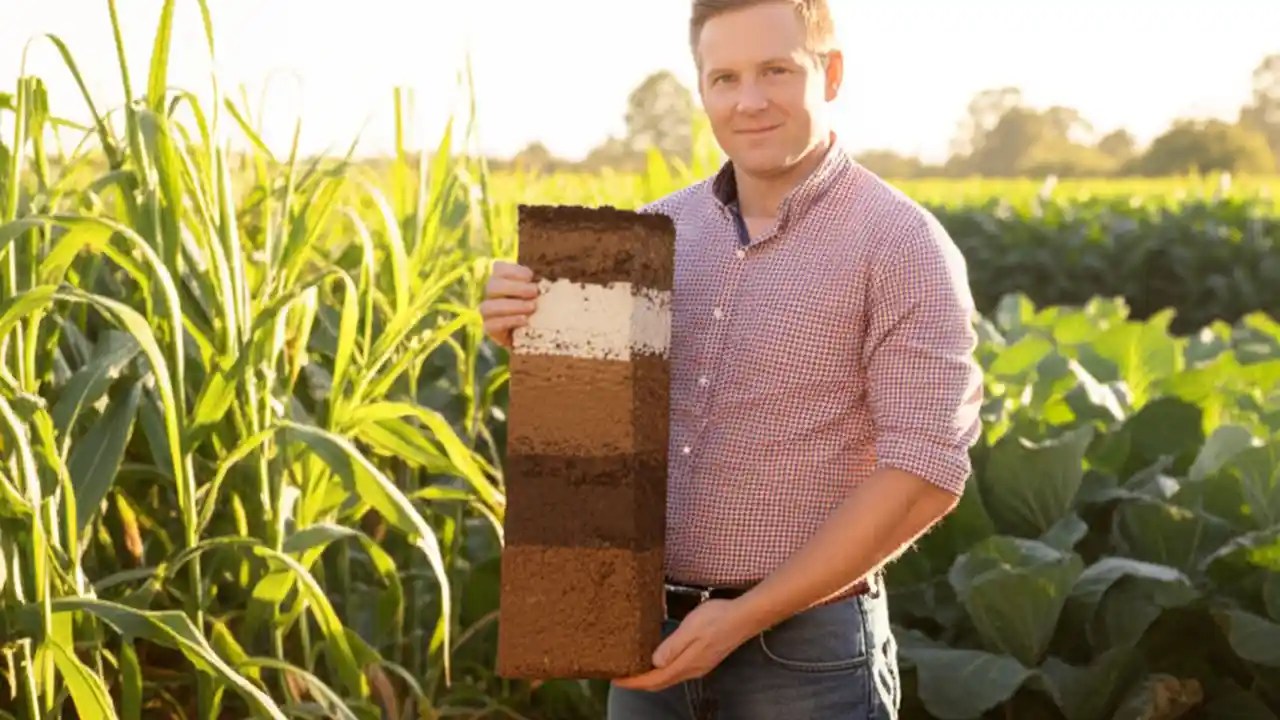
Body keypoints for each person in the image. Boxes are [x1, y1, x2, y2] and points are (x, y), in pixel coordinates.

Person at [479, 0, 984, 717]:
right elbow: (596, 419)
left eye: (775, 71)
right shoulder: (650, 235)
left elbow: (925, 474)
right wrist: (533, 336)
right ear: (703, 90)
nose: (748, 102)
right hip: (647, 642)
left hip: (806, 660)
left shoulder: (901, 244)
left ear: (830, 72)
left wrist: (744, 618)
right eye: (724, 78)